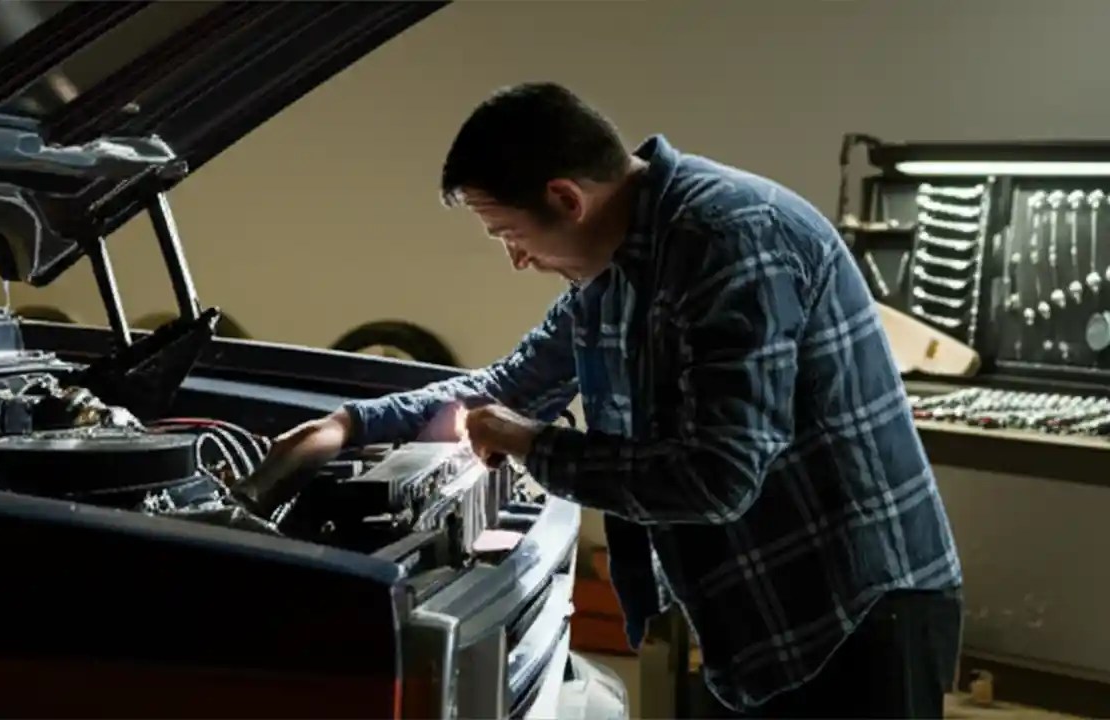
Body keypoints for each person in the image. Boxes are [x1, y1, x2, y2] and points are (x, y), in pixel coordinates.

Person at [239, 82, 964, 718]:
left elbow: (718, 476)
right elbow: (505, 387)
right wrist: (347, 424)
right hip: (760, 616)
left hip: (857, 616)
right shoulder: (611, 274)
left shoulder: (731, 244)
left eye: (508, 234)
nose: (516, 258)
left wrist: (531, 445)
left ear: (565, 198)